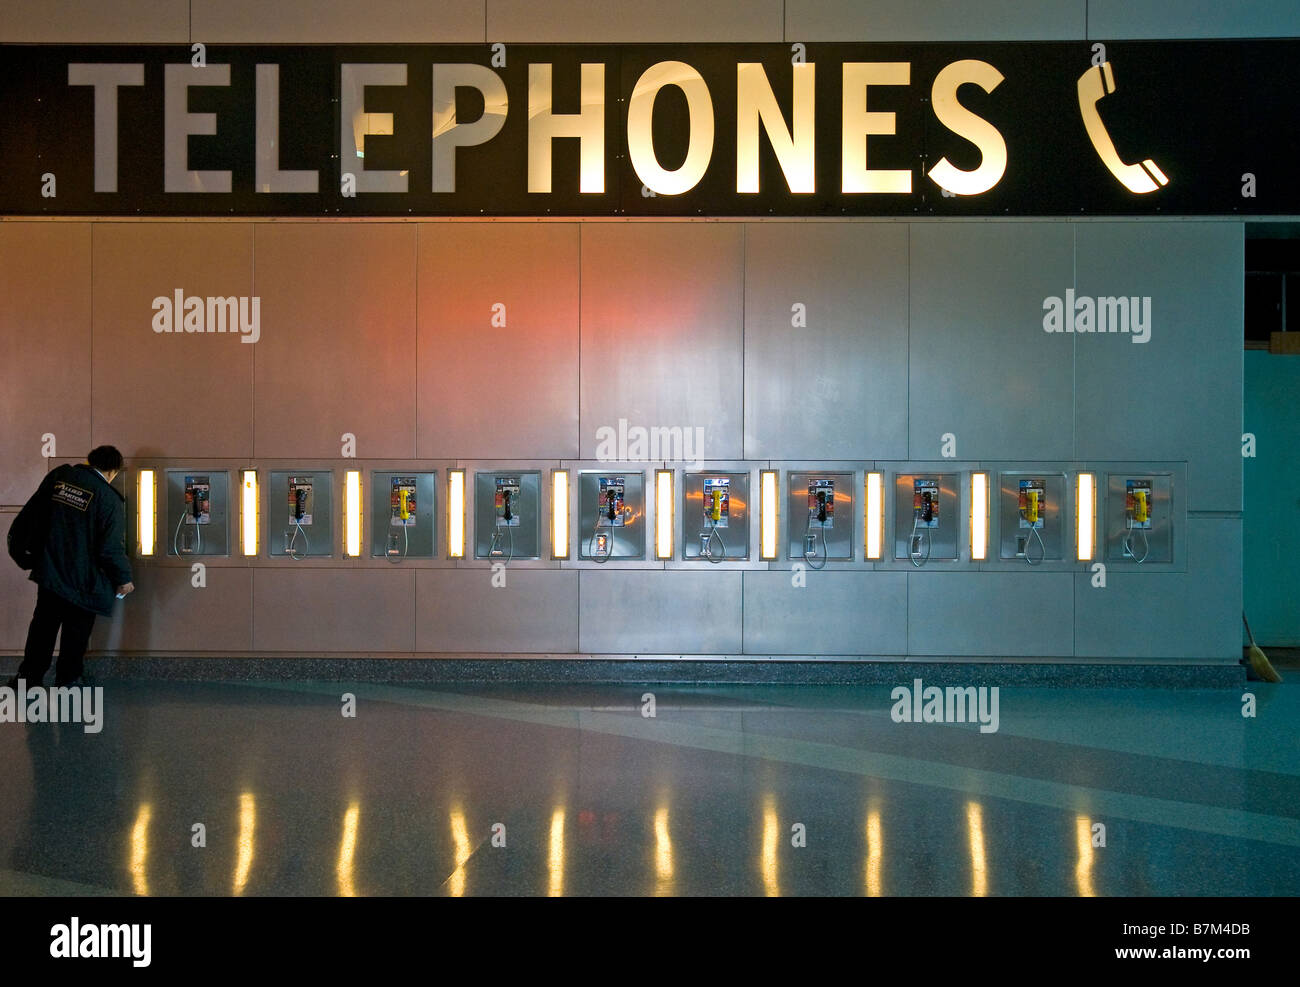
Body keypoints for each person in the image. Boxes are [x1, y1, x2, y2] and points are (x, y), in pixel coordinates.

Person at [5, 446, 134, 688]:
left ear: (89, 461)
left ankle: (28, 678)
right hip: (84, 580)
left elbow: (33, 514)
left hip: (51, 571)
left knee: (42, 627)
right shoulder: (109, 498)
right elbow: (110, 548)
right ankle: (67, 680)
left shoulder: (60, 477)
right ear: (112, 471)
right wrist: (124, 578)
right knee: (76, 632)